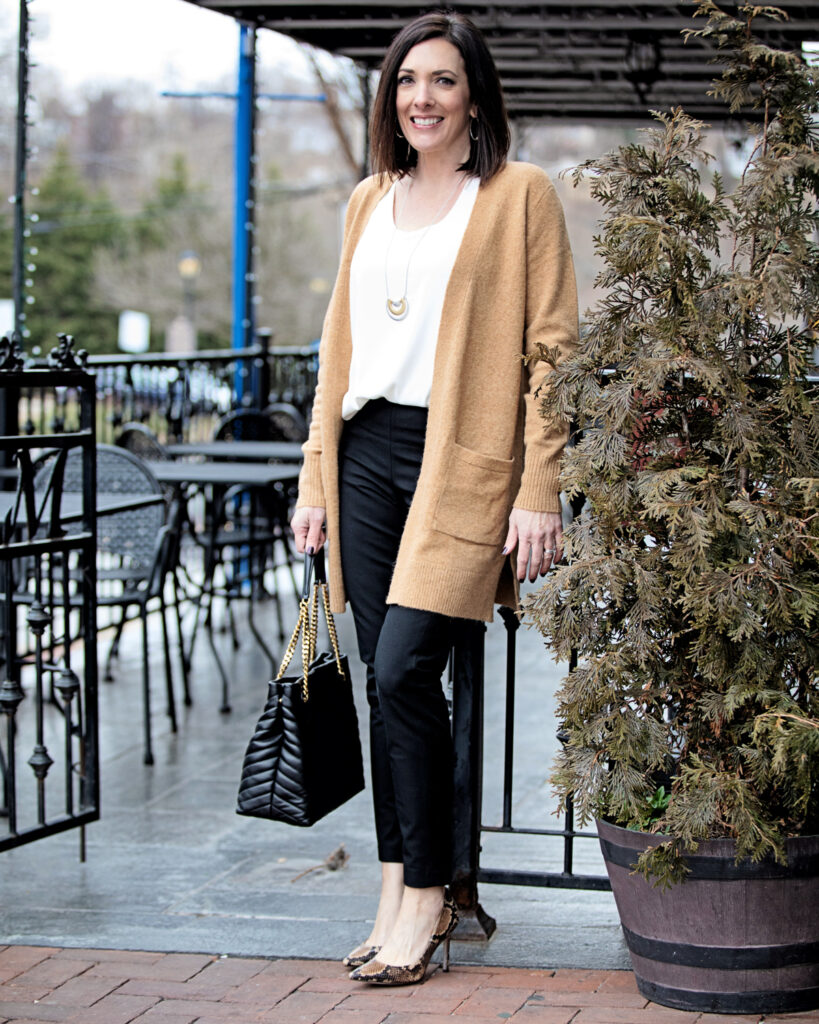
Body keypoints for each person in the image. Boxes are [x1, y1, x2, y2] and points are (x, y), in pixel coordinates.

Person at [290, 10, 578, 986]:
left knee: (407, 670)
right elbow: (339, 354)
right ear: (391, 97)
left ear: (474, 96)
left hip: (460, 460)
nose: (421, 96)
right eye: (407, 79)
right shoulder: (368, 200)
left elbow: (553, 352)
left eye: (443, 80)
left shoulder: (518, 195)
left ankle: (429, 893)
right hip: (366, 455)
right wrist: (315, 478)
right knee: (386, 677)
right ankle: (400, 889)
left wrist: (541, 487)